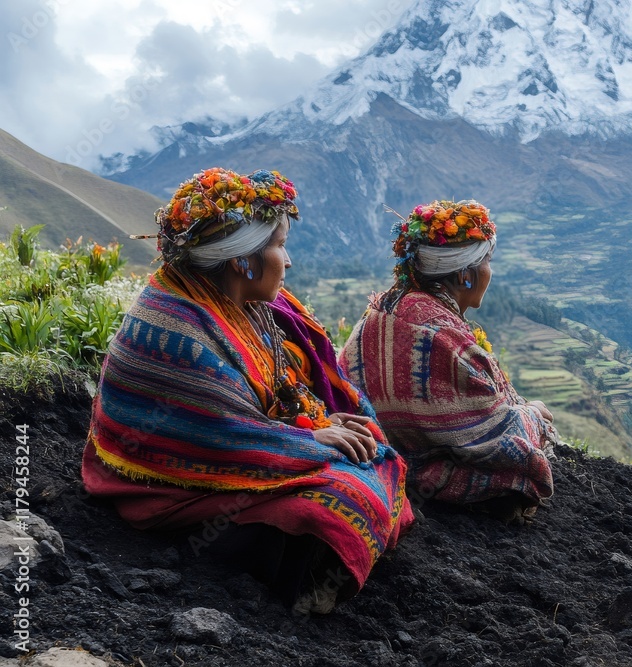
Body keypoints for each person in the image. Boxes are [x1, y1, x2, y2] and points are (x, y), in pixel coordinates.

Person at [81, 167, 413, 613]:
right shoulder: (179, 328)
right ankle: (291, 580)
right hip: (177, 480)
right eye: (280, 245)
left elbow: (268, 397)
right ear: (241, 259)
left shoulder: (248, 305)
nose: (288, 260)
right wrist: (310, 440)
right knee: (334, 500)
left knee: (363, 444)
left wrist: (320, 422)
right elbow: (217, 433)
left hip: (242, 448)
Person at [339, 199, 555, 520]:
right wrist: (532, 415)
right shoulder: (443, 332)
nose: (489, 272)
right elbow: (492, 430)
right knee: (536, 418)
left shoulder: (384, 307)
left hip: (377, 447)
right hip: (419, 463)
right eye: (487, 262)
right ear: (466, 275)